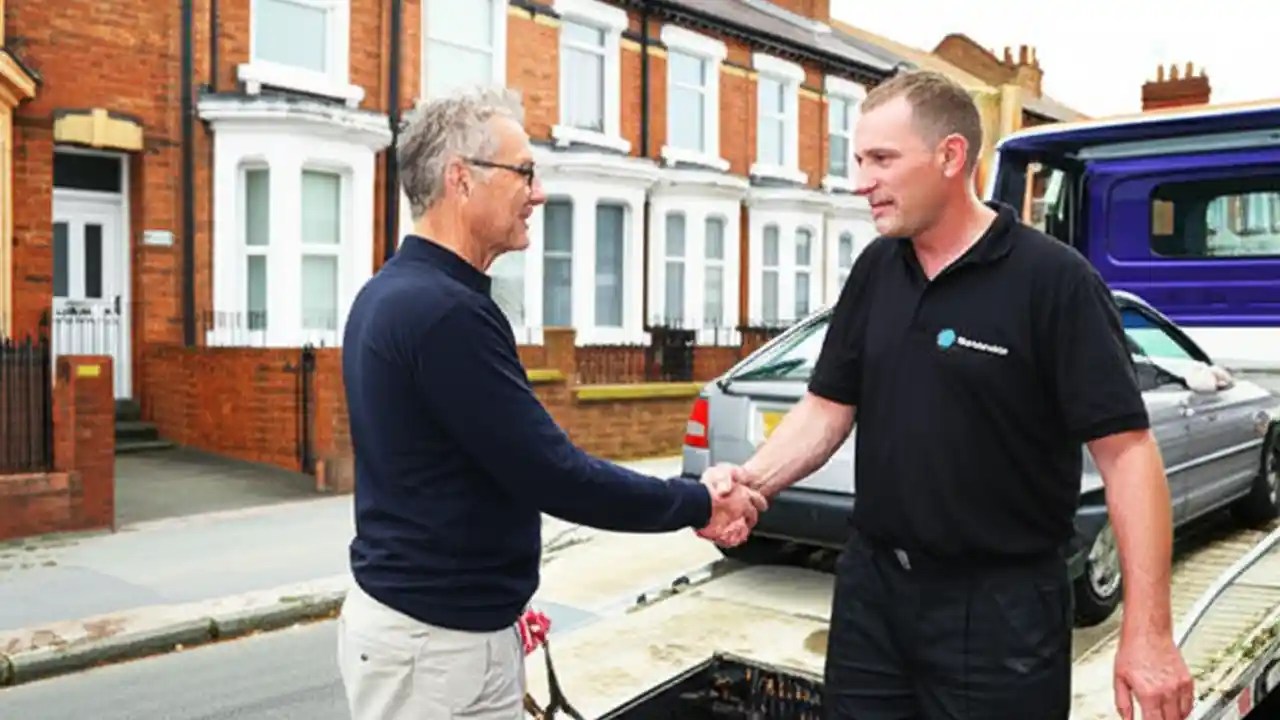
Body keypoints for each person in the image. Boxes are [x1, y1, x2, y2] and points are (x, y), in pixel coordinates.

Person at [702, 70, 1194, 719]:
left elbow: (1128, 456)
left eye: (882, 159)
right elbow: (828, 405)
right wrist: (753, 484)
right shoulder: (877, 270)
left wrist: (1149, 634)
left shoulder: (1054, 283)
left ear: (951, 156)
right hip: (873, 598)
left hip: (1002, 614)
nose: (860, 181)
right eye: (858, 160)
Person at [335, 86, 766, 720]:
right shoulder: (444, 314)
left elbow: (453, 475)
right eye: (525, 173)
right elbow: (552, 473)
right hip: (436, 652)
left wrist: (499, 603)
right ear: (461, 179)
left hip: (440, 631)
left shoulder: (393, 292)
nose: (538, 194)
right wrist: (699, 500)